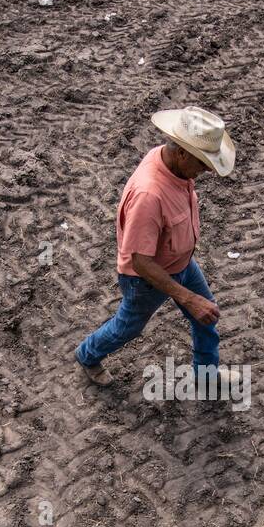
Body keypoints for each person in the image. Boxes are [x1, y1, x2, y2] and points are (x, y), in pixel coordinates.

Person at [75, 106, 235, 386]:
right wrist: (187, 297)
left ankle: (205, 375)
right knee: (127, 327)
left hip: (181, 263)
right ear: (182, 152)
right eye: (203, 163)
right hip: (146, 279)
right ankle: (87, 354)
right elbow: (140, 261)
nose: (208, 170)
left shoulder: (170, 160)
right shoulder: (149, 195)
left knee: (206, 315)